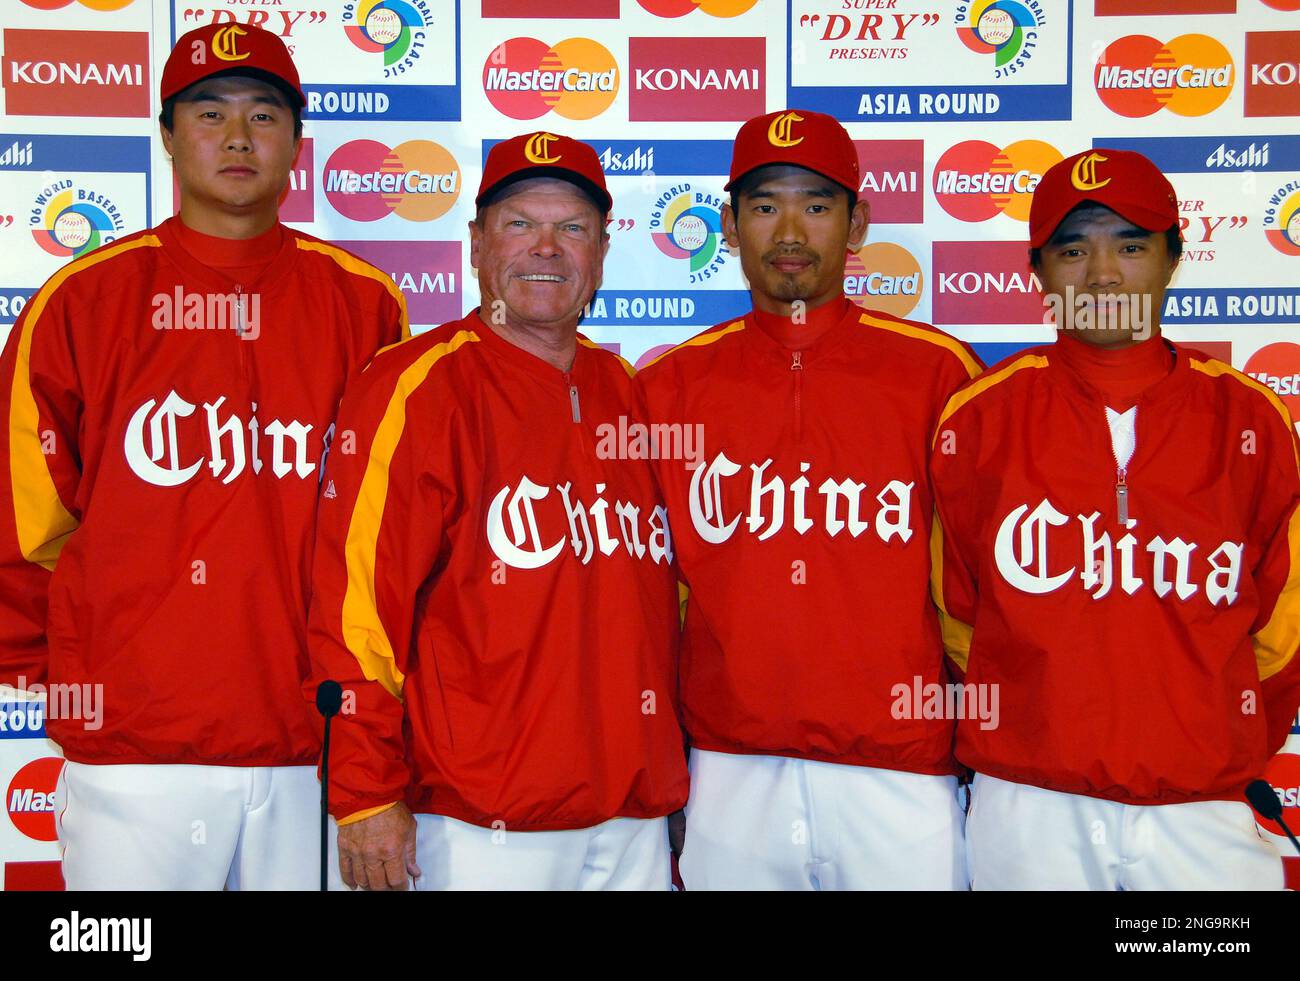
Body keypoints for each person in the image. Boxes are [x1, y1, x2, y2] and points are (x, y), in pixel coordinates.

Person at [0, 23, 407, 889]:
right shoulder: (83, 300)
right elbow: (21, 520)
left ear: (296, 142)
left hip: (315, 745)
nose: (237, 136)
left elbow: (391, 539)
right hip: (136, 752)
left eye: (263, 114)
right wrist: (82, 678)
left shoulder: (365, 303)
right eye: (209, 112)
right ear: (166, 135)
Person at [308, 131, 689, 891]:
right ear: (477, 243)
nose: (546, 248)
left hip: (632, 814)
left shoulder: (629, 391)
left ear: (601, 252)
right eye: (520, 224)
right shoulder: (415, 385)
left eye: (572, 227)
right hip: (480, 822)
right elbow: (357, 611)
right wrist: (366, 792)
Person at [929, 148, 1300, 889]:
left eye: (1130, 246)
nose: (1101, 274)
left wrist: (1206, 739)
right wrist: (1038, 727)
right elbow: (958, 615)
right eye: (1073, 250)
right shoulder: (980, 417)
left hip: (1204, 808)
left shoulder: (1250, 417)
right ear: (1037, 271)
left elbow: (1280, 625)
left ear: (1173, 258)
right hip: (1030, 803)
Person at [636, 109, 982, 890]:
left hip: (900, 771)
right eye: (765, 205)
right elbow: (649, 597)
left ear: (856, 223)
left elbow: (977, 586)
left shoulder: (939, 373)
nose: (789, 230)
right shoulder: (669, 386)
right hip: (731, 766)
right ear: (729, 225)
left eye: (816, 205)